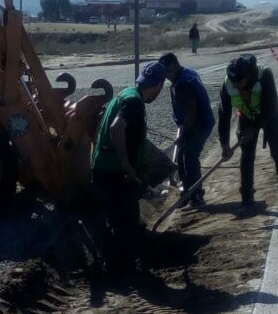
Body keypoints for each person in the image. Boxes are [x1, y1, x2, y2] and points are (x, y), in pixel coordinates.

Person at [91, 60, 167, 273]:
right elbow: (117, 128)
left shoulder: (126, 94)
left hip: (102, 169)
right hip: (114, 172)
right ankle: (124, 271)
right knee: (127, 223)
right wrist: (126, 164)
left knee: (114, 220)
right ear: (158, 86)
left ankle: (110, 266)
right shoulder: (134, 103)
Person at [217, 53, 278, 209]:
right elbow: (223, 115)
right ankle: (247, 199)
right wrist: (224, 144)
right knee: (247, 157)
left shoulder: (264, 75)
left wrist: (254, 128)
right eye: (233, 82)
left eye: (239, 82)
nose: (235, 86)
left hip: (270, 115)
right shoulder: (228, 84)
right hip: (246, 115)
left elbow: (272, 105)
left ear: (248, 76)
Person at [159, 52, 215, 208]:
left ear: (175, 65)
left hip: (199, 123)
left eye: (167, 73)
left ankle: (196, 195)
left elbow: (191, 112)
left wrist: (183, 133)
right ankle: (186, 192)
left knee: (189, 158)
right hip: (198, 121)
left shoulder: (183, 83)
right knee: (184, 156)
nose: (166, 77)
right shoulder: (187, 72)